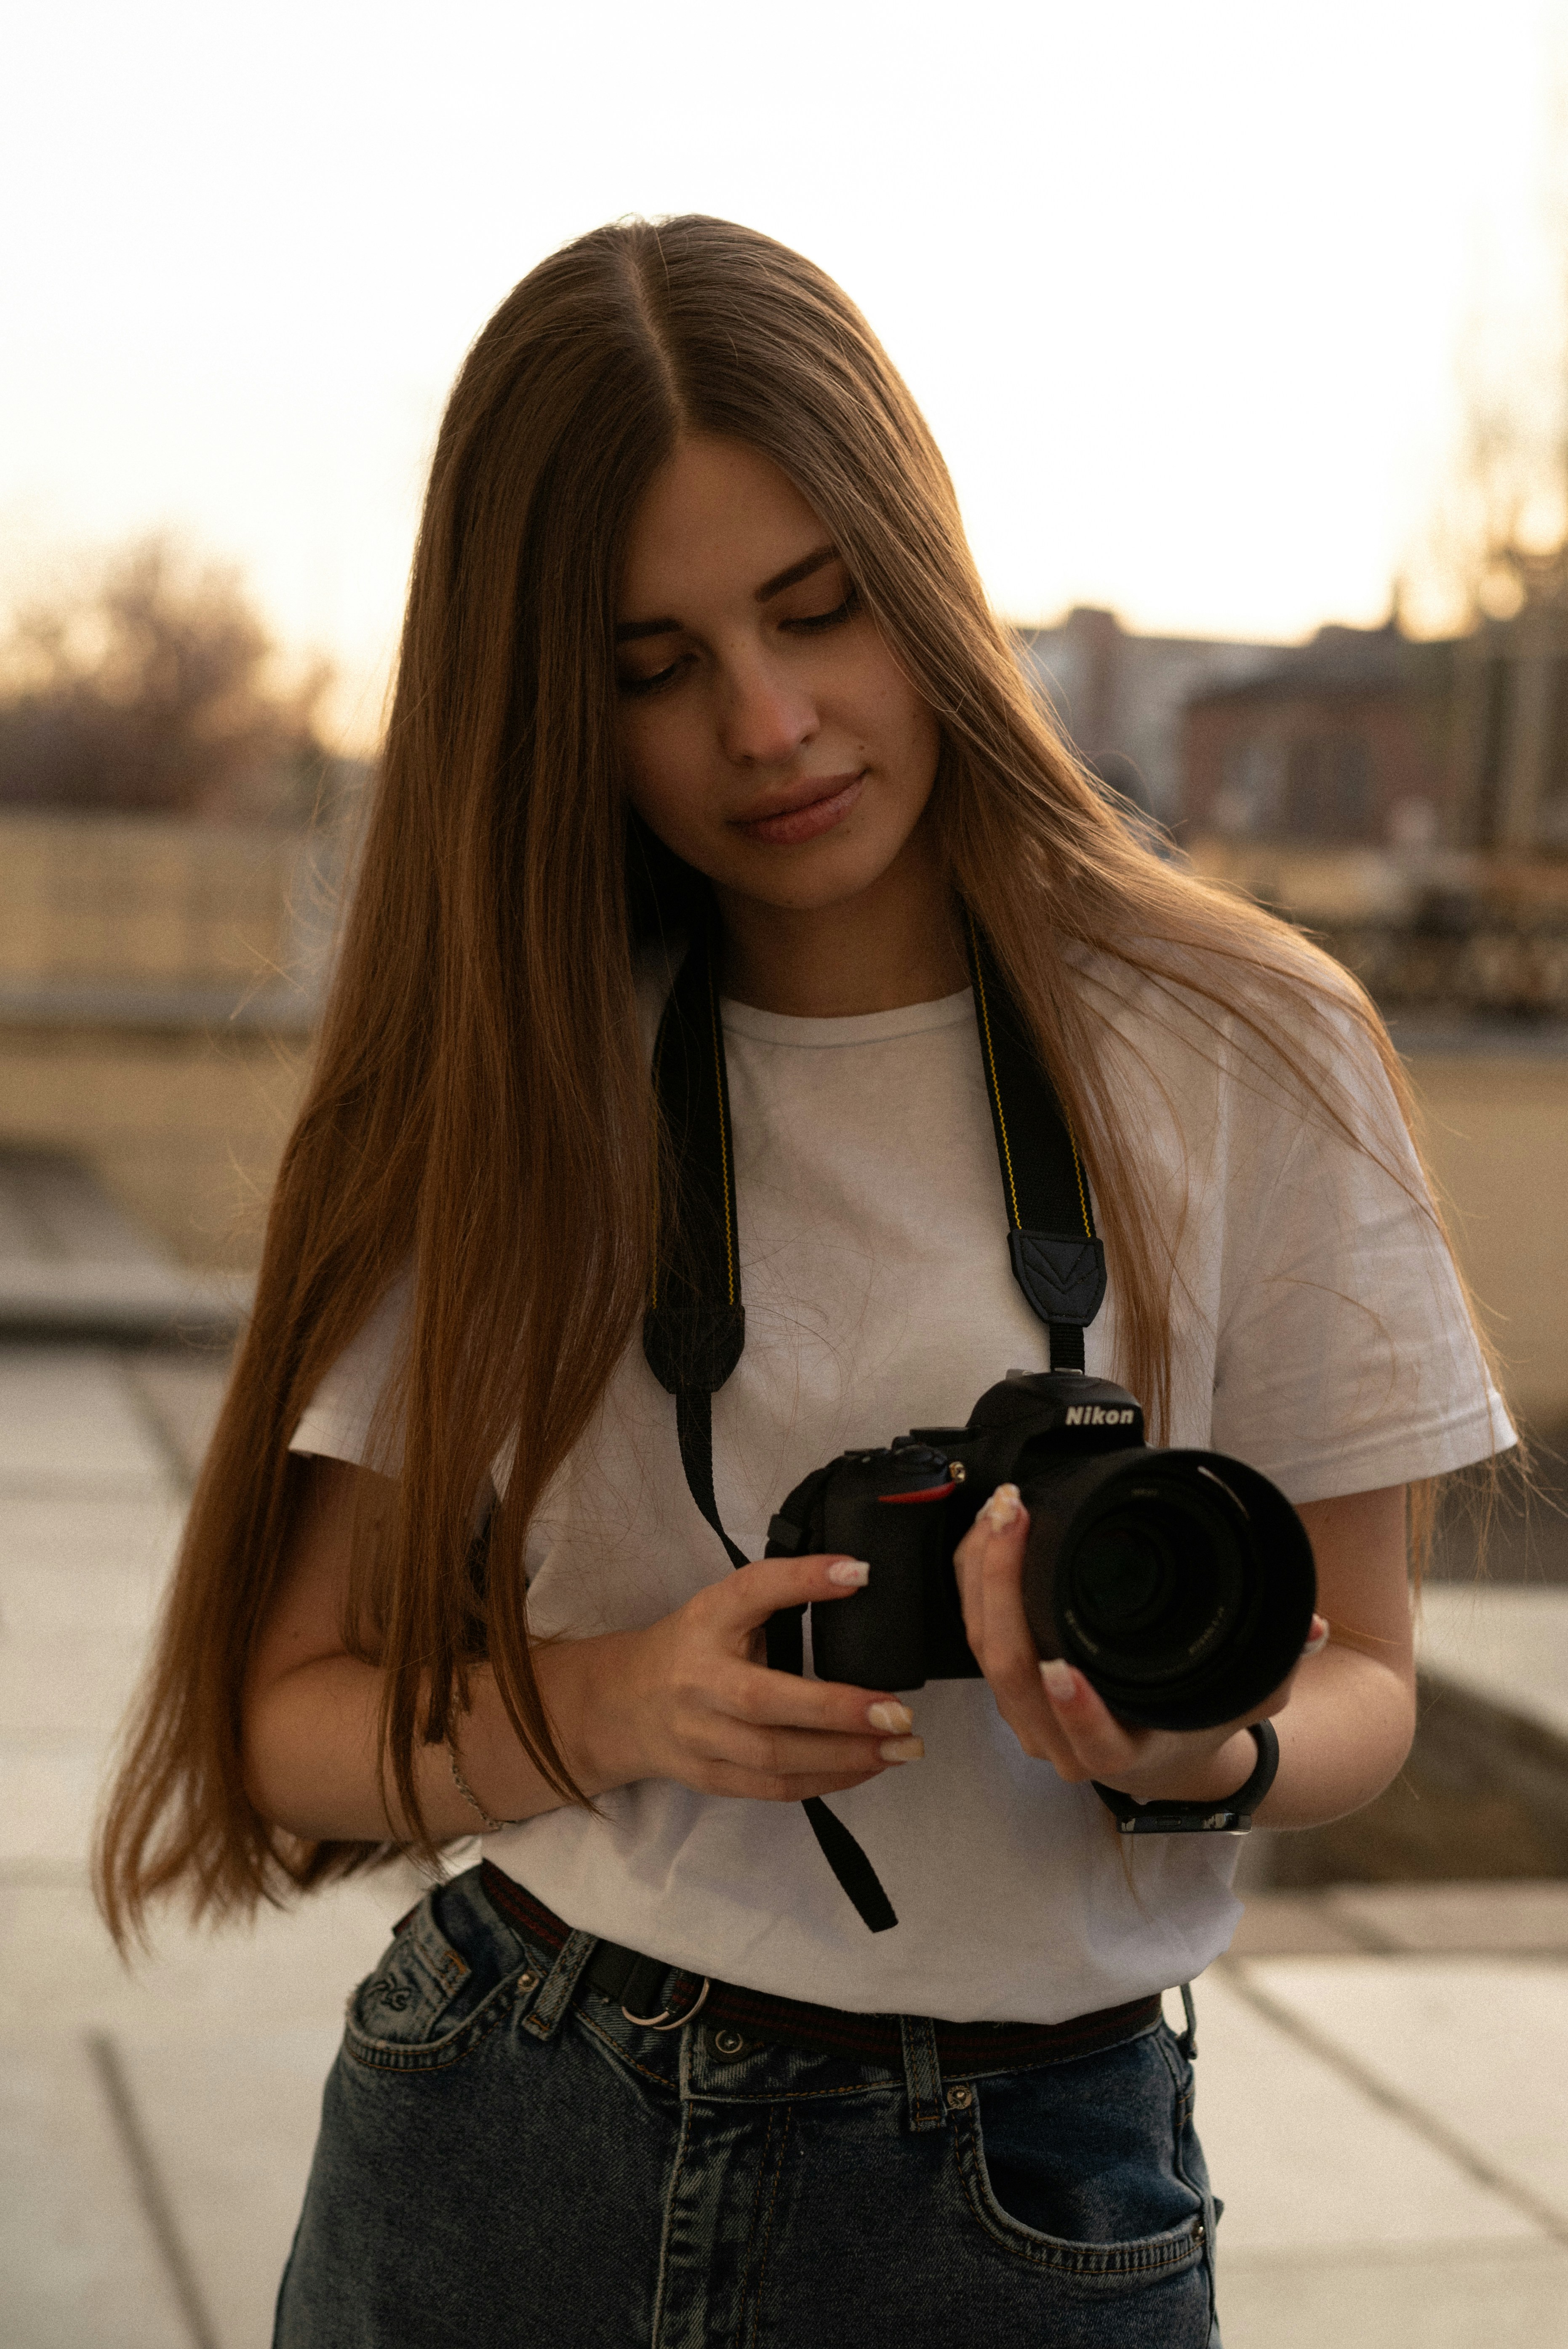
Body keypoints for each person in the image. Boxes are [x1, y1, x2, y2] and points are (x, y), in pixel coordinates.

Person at [98, 217, 1510, 2348]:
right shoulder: (519, 1057)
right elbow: (290, 1725)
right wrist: (613, 1703)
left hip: (1028, 2181)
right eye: (651, 666)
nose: (767, 723)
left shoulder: (1243, 1040)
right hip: (508, 2117)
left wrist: (1184, 1744)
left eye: (815, 609)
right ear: (541, 701)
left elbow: (1369, 1685)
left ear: (919, 568)